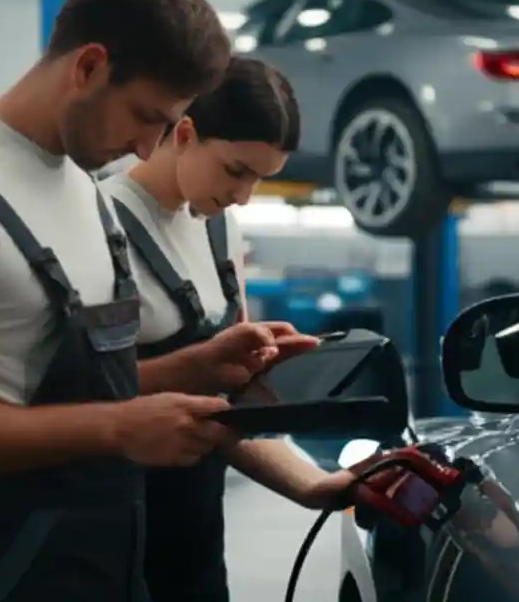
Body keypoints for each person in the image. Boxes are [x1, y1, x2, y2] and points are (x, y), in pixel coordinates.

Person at [0, 0, 281, 602]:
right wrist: (121, 428)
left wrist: (195, 367)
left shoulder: (86, 194)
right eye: (146, 116)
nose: (148, 148)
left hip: (102, 569)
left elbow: (66, 386)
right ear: (88, 67)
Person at [99, 57, 357, 602]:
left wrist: (312, 485)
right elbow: (67, 397)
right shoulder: (97, 224)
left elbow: (223, 411)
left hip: (193, 551)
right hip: (104, 551)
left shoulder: (219, 227)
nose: (243, 195)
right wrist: (195, 368)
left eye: (259, 178)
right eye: (236, 170)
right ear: (184, 134)